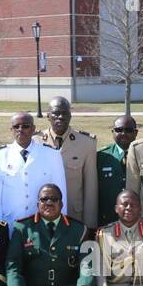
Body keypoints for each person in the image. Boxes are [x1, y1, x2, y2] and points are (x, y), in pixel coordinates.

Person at [0, 112, 68, 226]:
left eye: (25, 126)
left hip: (41, 225)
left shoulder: (52, 154)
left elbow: (60, 194)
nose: (20, 129)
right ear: (11, 129)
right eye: (16, 126)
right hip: (10, 224)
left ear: (33, 129)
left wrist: (60, 225)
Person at [37, 96, 98, 227]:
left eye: (64, 113)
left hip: (74, 215)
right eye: (56, 113)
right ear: (48, 116)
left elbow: (90, 188)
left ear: (70, 116)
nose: (60, 117)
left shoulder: (86, 143)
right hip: (42, 216)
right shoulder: (36, 141)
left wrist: (89, 225)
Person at [97, 115, 136, 228]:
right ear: (112, 132)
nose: (123, 133)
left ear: (136, 133)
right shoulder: (101, 157)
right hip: (108, 218)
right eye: (119, 130)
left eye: (128, 130)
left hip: (135, 218)